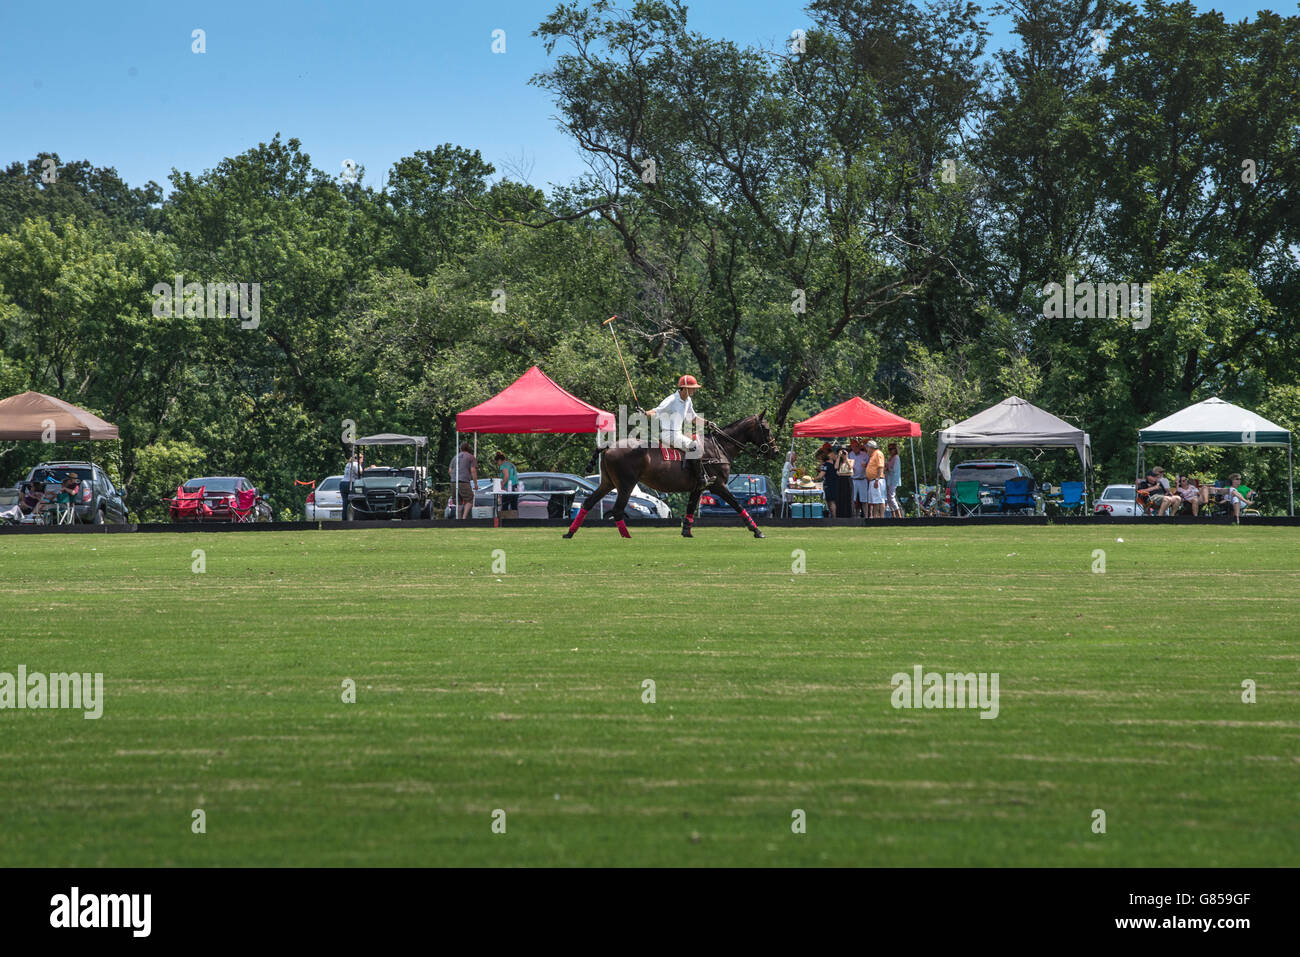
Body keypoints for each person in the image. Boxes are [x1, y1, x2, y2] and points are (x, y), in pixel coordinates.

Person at [646, 374, 715, 487]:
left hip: (677, 433)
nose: (695, 390)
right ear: (685, 388)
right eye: (693, 388)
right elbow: (656, 410)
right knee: (695, 447)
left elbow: (693, 418)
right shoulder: (672, 400)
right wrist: (645, 413)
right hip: (668, 434)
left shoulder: (688, 400)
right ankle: (700, 479)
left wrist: (708, 423)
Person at [449, 443, 477, 519]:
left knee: (458, 501)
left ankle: (458, 518)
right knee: (470, 498)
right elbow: (473, 470)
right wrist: (475, 484)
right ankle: (464, 518)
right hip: (464, 481)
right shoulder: (471, 457)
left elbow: (450, 470)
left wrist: (454, 478)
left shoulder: (455, 457)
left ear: (460, 449)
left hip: (454, 482)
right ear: (469, 449)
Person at [848, 439, 871, 518]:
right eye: (853, 447)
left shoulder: (865, 454)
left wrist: (866, 466)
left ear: (859, 446)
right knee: (853, 500)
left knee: (864, 500)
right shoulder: (850, 454)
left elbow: (870, 465)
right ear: (851, 447)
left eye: (857, 446)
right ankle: (854, 517)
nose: (855, 448)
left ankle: (866, 517)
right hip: (853, 480)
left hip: (862, 479)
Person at [864, 440, 886, 518]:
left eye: (867, 447)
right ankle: (876, 516)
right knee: (875, 500)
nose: (866, 449)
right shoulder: (872, 454)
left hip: (877, 480)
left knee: (880, 499)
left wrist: (877, 479)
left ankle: (882, 516)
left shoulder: (878, 454)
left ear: (871, 447)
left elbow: (880, 467)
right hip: (873, 480)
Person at [340, 450, 363, 520]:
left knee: (345, 504)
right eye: (362, 459)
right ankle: (355, 518)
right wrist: (370, 468)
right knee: (356, 502)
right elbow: (361, 473)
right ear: (359, 458)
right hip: (350, 484)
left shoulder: (348, 464)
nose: (362, 461)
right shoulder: (356, 464)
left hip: (343, 483)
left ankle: (344, 520)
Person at [884, 442, 903, 518]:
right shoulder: (890, 458)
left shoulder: (896, 458)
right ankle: (893, 515)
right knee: (888, 497)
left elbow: (894, 469)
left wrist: (887, 468)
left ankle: (898, 514)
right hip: (889, 479)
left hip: (893, 480)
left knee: (891, 496)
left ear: (895, 450)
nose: (890, 451)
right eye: (889, 449)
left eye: (891, 449)